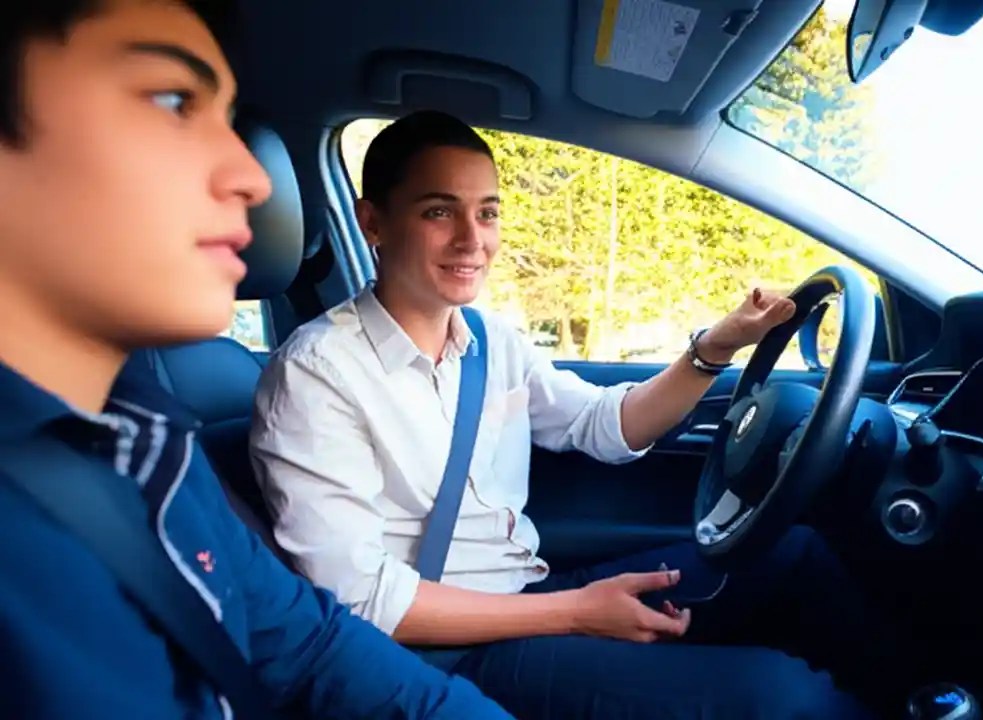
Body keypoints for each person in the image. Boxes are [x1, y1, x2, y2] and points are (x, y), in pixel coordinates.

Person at [250, 111, 883, 718]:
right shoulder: (316, 374)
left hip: (529, 596)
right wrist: (578, 611)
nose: (473, 239)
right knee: (779, 697)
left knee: (791, 555)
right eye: (439, 211)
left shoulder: (490, 341)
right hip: (439, 651)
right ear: (374, 222)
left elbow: (605, 426)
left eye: (488, 212)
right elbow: (361, 601)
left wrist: (715, 346)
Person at [0, 3, 513, 718]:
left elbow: (310, 650)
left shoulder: (150, 445)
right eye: (172, 100)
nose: (252, 176)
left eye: (225, 116)